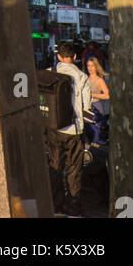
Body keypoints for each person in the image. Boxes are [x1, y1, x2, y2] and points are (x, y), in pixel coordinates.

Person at [46, 40, 92, 217]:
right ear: (74, 57)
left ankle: (56, 205)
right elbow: (87, 108)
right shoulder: (81, 76)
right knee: (74, 169)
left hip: (53, 129)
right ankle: (73, 206)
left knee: (54, 167)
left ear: (58, 56)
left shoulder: (50, 73)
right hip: (74, 130)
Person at [86, 55, 110, 145]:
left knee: (97, 131)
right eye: (88, 65)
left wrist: (93, 95)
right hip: (88, 107)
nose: (90, 68)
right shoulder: (86, 78)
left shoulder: (99, 80)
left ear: (96, 66)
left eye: (92, 65)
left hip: (96, 107)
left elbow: (107, 95)